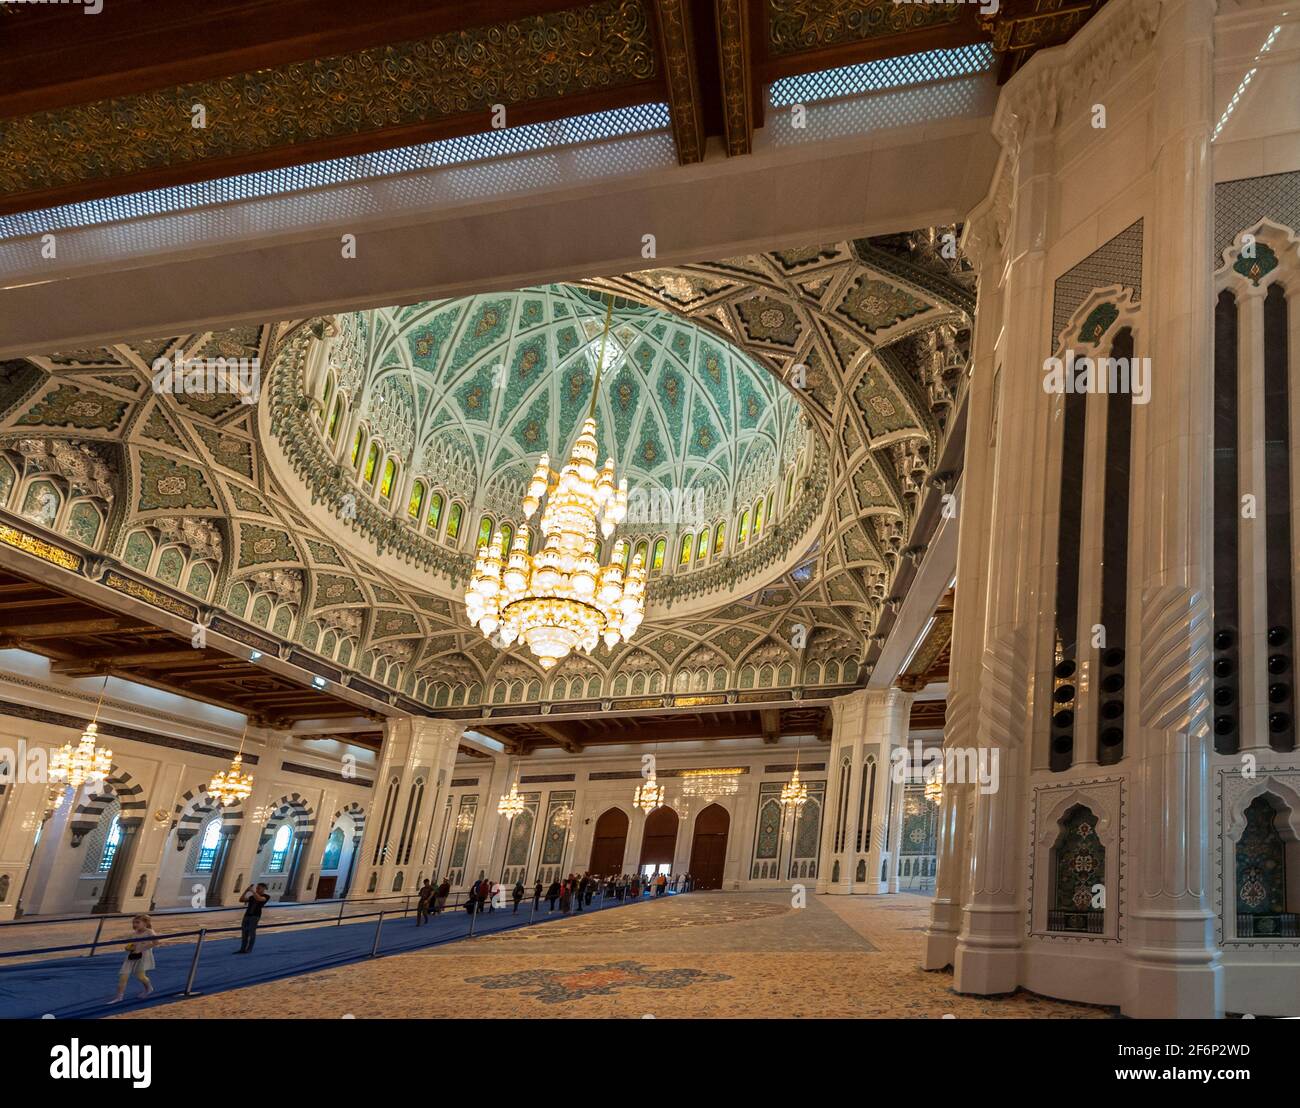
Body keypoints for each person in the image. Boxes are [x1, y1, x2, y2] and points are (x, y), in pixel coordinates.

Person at [111, 914, 158, 1003]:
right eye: (134, 922)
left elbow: (156, 942)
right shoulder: (133, 934)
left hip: (143, 956)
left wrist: (141, 949)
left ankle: (149, 988)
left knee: (140, 976)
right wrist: (129, 947)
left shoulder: (149, 932)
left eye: (137, 922)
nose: (135, 924)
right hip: (132, 955)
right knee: (124, 975)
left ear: (145, 923)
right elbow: (132, 944)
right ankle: (119, 996)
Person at [237, 883, 270, 953]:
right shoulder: (252, 897)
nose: (257, 889)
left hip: (255, 916)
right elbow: (241, 899)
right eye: (256, 888)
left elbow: (259, 899)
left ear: (263, 889)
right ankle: (242, 949)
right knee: (244, 933)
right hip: (247, 915)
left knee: (252, 932)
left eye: (259, 888)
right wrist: (246, 891)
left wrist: (252, 891)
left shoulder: (266, 896)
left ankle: (249, 949)